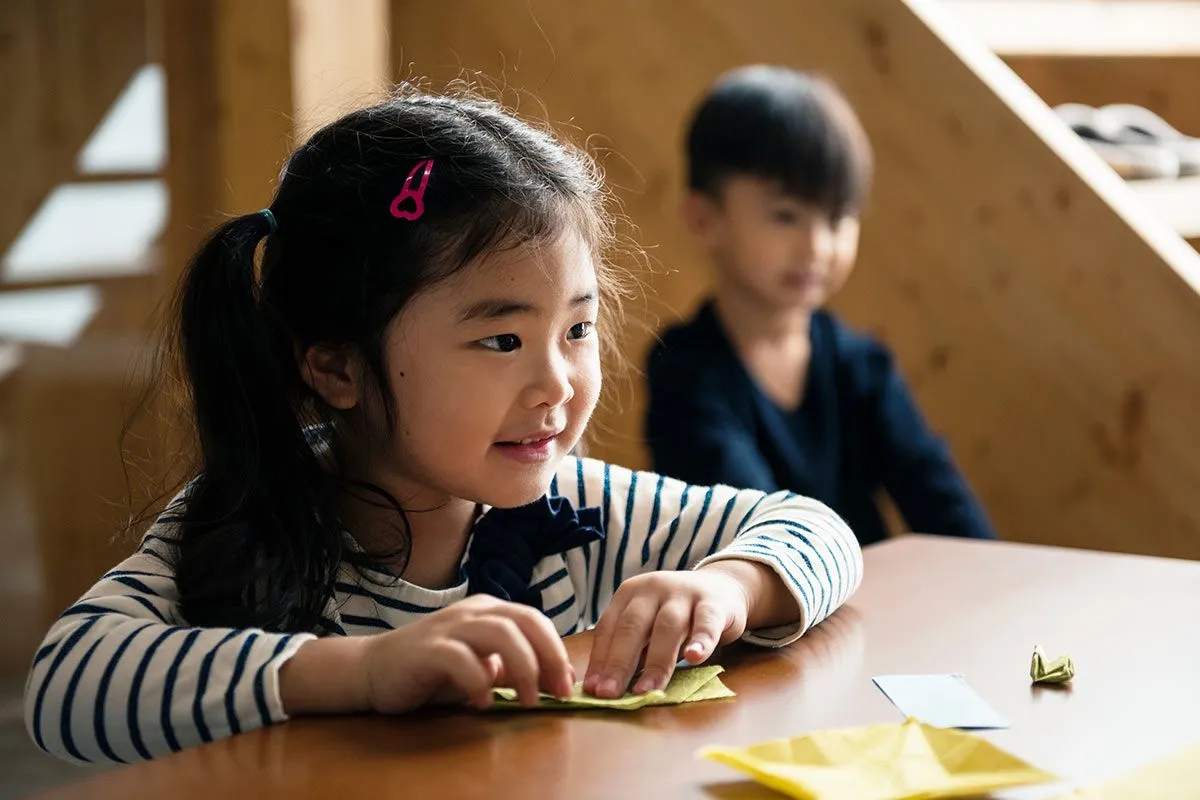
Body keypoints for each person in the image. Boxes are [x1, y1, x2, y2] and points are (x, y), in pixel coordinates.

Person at [26, 88, 862, 764]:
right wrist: (360, 670)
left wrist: (728, 584)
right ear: (336, 368)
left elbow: (817, 530)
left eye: (575, 330)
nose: (558, 383)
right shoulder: (254, 513)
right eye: (501, 340)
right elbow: (66, 690)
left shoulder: (576, 506)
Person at [645, 66, 996, 546]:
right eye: (786, 216)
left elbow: (941, 501)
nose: (817, 247)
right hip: (760, 612)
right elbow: (763, 535)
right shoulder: (684, 372)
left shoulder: (860, 364)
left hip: (872, 603)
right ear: (705, 218)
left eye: (837, 219)